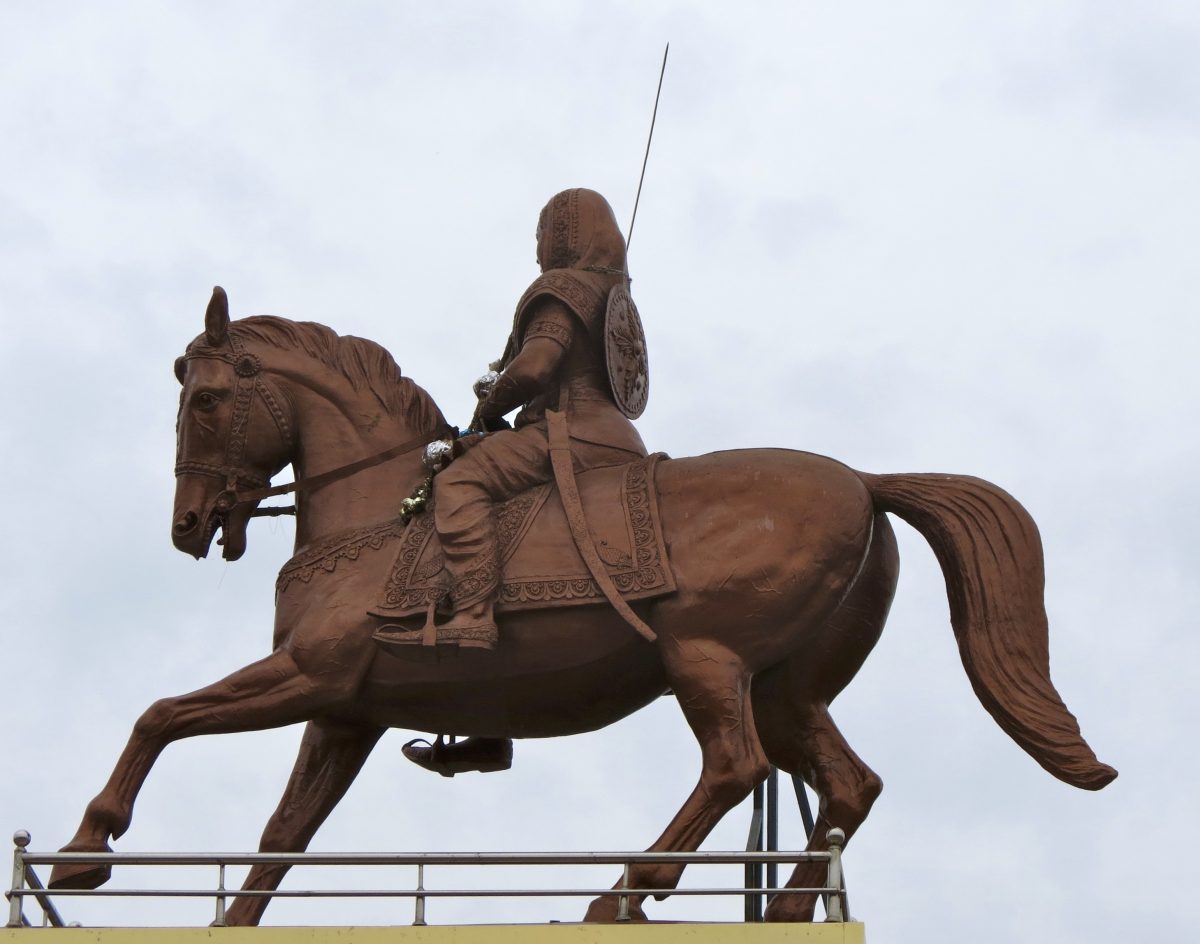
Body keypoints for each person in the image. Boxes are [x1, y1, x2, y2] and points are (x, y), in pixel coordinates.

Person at [382, 188, 649, 775]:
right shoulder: (614, 296)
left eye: (542, 236)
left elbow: (535, 367)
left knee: (460, 485)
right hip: (618, 441)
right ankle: (487, 727)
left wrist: (486, 408)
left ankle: (474, 616)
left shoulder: (562, 290)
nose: (537, 251)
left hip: (566, 435)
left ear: (565, 233)